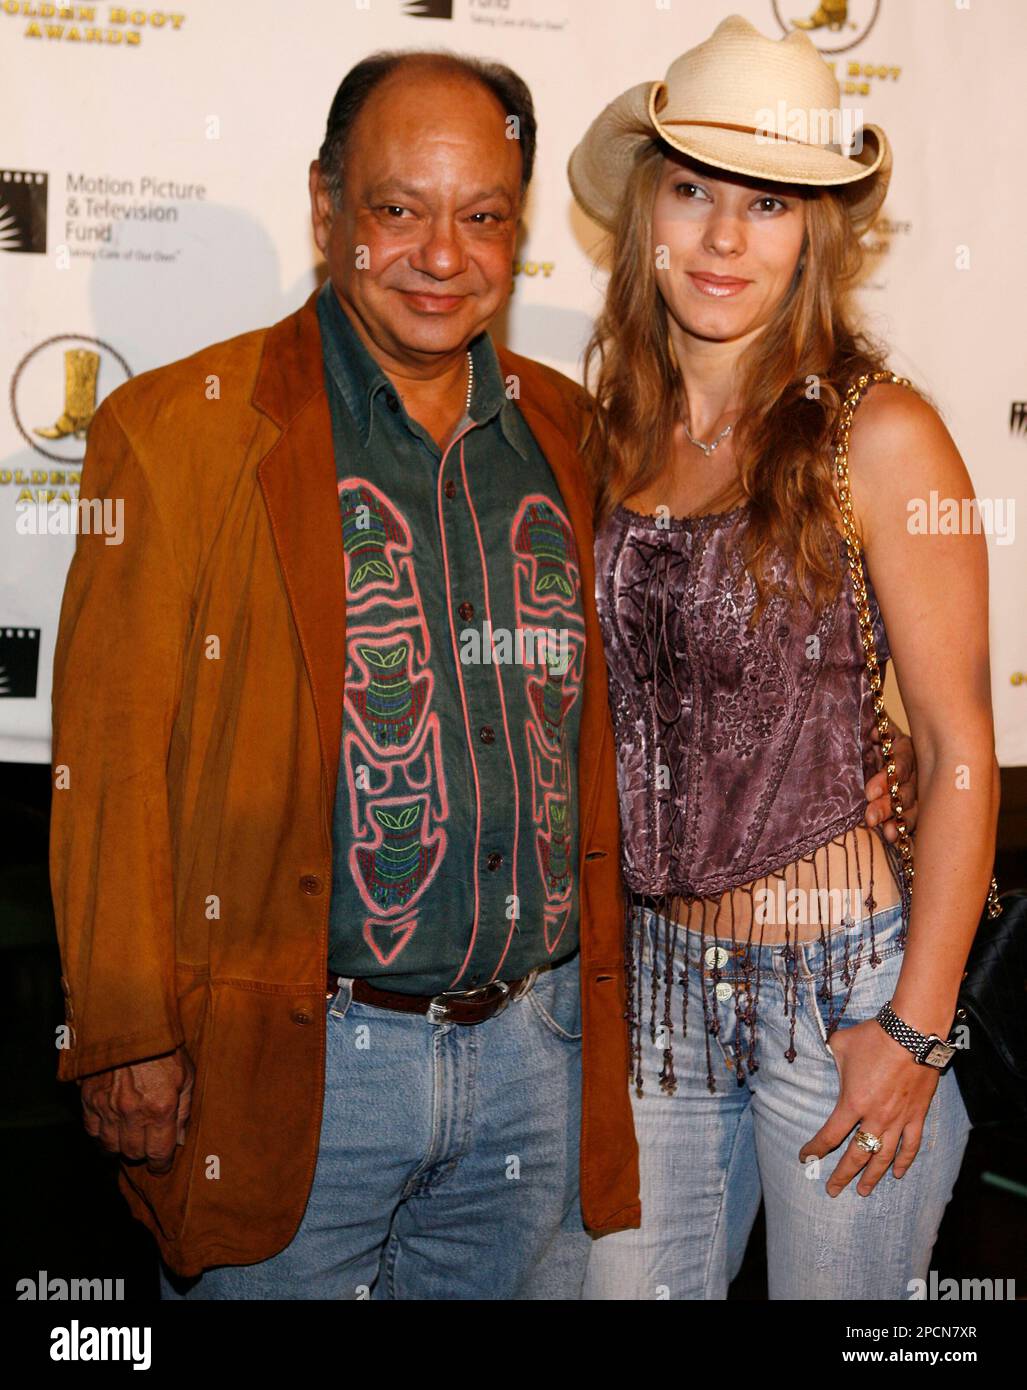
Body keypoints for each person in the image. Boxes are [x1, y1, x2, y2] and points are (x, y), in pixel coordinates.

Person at [49, 42, 912, 1302]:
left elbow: (697, 663)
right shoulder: (183, 431)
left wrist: (863, 764)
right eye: (398, 210)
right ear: (327, 206)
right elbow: (110, 753)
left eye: (483, 217)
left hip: (537, 1066)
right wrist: (124, 1036)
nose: (441, 255)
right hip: (298, 1069)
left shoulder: (576, 433)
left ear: (518, 233)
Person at [567, 16, 998, 1300]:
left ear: (813, 230)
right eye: (692, 190)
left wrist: (914, 1032)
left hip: (843, 991)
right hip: (656, 996)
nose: (720, 237)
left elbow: (960, 749)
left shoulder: (882, 433)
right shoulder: (607, 436)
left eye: (765, 203)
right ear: (646, 210)